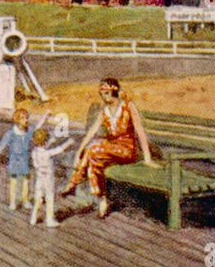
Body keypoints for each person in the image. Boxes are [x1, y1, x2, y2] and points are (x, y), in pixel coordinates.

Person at [60, 77, 157, 219]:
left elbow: (140, 131)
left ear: (114, 91)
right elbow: (92, 131)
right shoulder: (105, 112)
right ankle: (102, 200)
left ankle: (73, 183)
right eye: (102, 94)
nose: (103, 97)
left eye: (106, 93)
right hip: (112, 150)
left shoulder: (128, 106)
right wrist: (79, 152)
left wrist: (147, 158)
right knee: (94, 161)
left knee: (93, 150)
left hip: (126, 151)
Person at [0, 109, 46, 210]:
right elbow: (3, 144)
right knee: (13, 182)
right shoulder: (11, 133)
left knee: (25, 181)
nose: (25, 120)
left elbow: (37, 127)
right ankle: (13, 202)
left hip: (24, 160)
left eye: (26, 118)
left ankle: (25, 200)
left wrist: (45, 115)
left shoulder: (28, 132)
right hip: (13, 161)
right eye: (22, 118)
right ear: (16, 120)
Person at [29, 127, 74, 227]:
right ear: (45, 141)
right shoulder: (47, 153)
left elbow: (42, 146)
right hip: (48, 180)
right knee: (50, 199)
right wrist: (69, 142)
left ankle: (33, 217)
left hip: (39, 178)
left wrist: (50, 141)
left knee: (38, 199)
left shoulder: (34, 152)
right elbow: (59, 149)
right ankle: (49, 220)